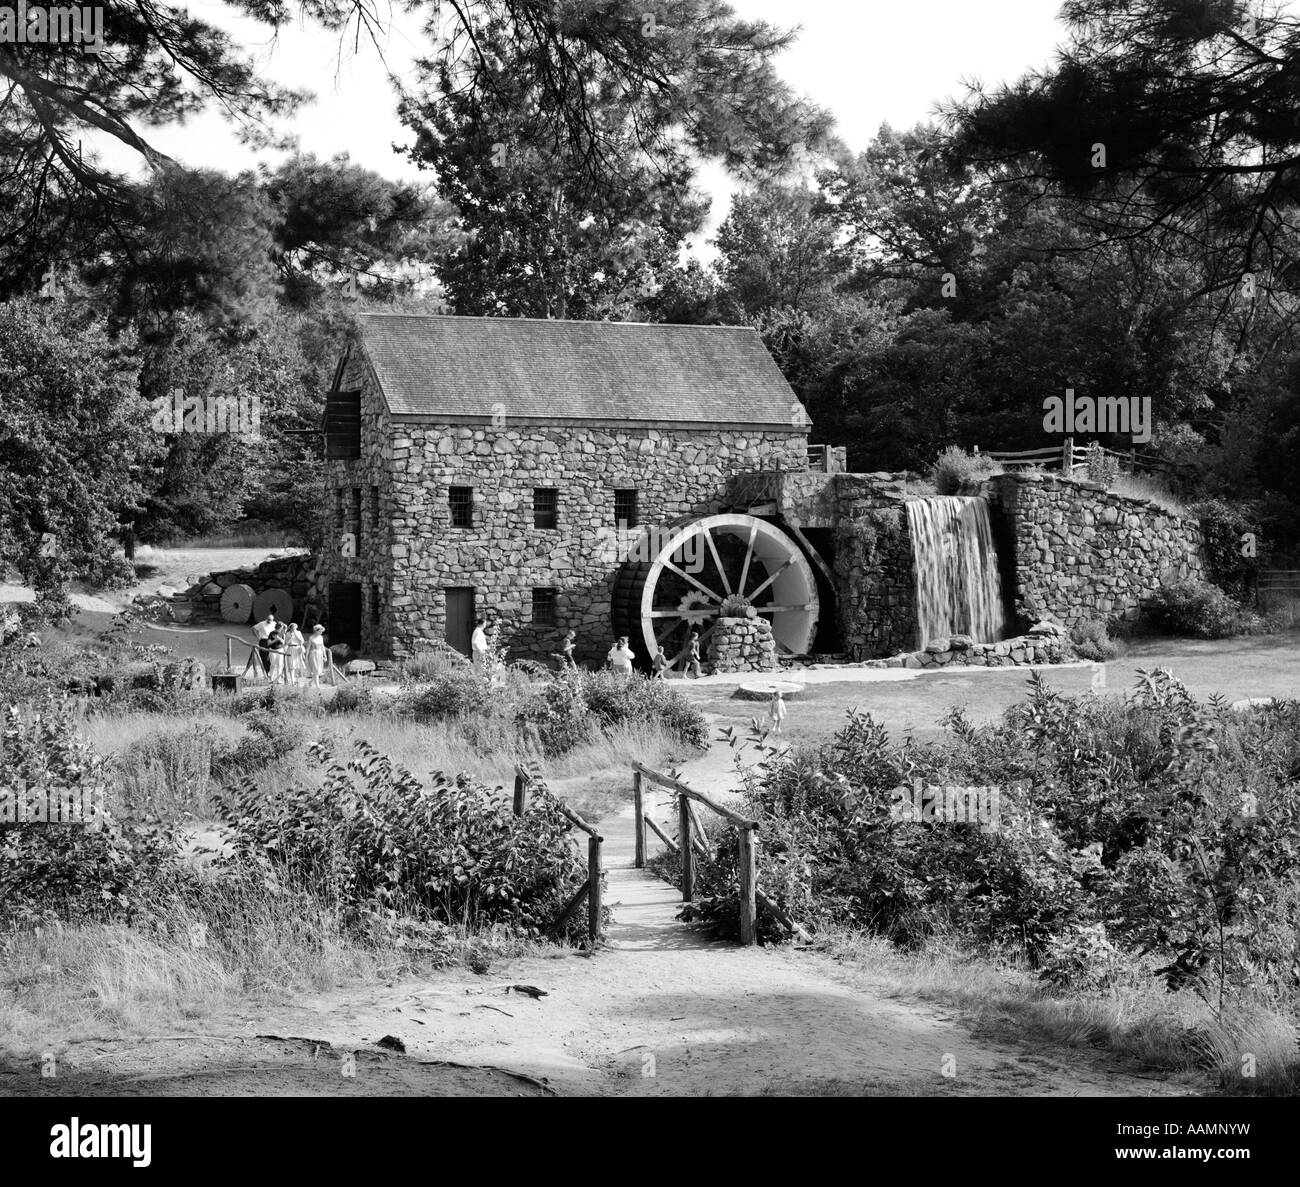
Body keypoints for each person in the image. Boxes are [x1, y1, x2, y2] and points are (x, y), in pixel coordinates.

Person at [252, 610, 277, 678]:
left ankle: (269, 671)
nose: (269, 621)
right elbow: (253, 628)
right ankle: (265, 672)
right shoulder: (262, 624)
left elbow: (278, 630)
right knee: (264, 656)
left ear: (273, 620)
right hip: (263, 640)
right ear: (266, 619)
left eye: (271, 620)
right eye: (268, 619)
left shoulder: (274, 623)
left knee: (271, 656)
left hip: (271, 641)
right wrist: (258, 637)